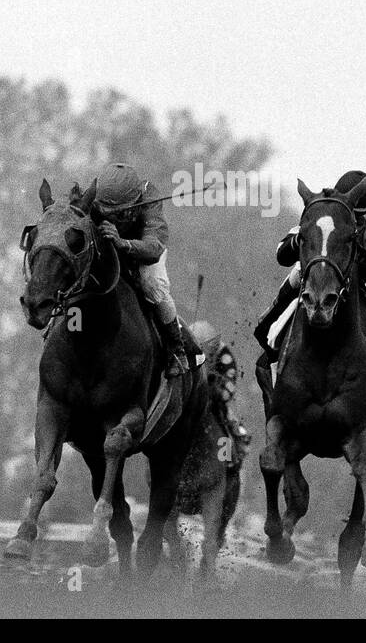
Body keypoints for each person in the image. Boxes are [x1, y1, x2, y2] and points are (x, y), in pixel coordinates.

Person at [253, 170, 366, 372]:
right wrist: (301, 239)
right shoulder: (328, 206)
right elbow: (282, 254)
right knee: (300, 270)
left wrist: (351, 250)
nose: (356, 222)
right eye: (352, 216)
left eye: (361, 218)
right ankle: (270, 317)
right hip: (334, 259)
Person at [92, 162, 189, 377]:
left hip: (145, 253)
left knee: (151, 284)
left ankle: (177, 349)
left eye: (116, 214)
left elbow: (154, 247)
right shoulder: (96, 197)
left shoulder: (150, 203)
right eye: (104, 212)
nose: (109, 218)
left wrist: (123, 243)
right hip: (109, 246)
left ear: (133, 207)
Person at [190, 320, 250, 462]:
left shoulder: (225, 356)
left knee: (224, 420)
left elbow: (229, 388)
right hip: (191, 395)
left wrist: (215, 390)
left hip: (213, 398)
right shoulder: (187, 350)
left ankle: (228, 457)